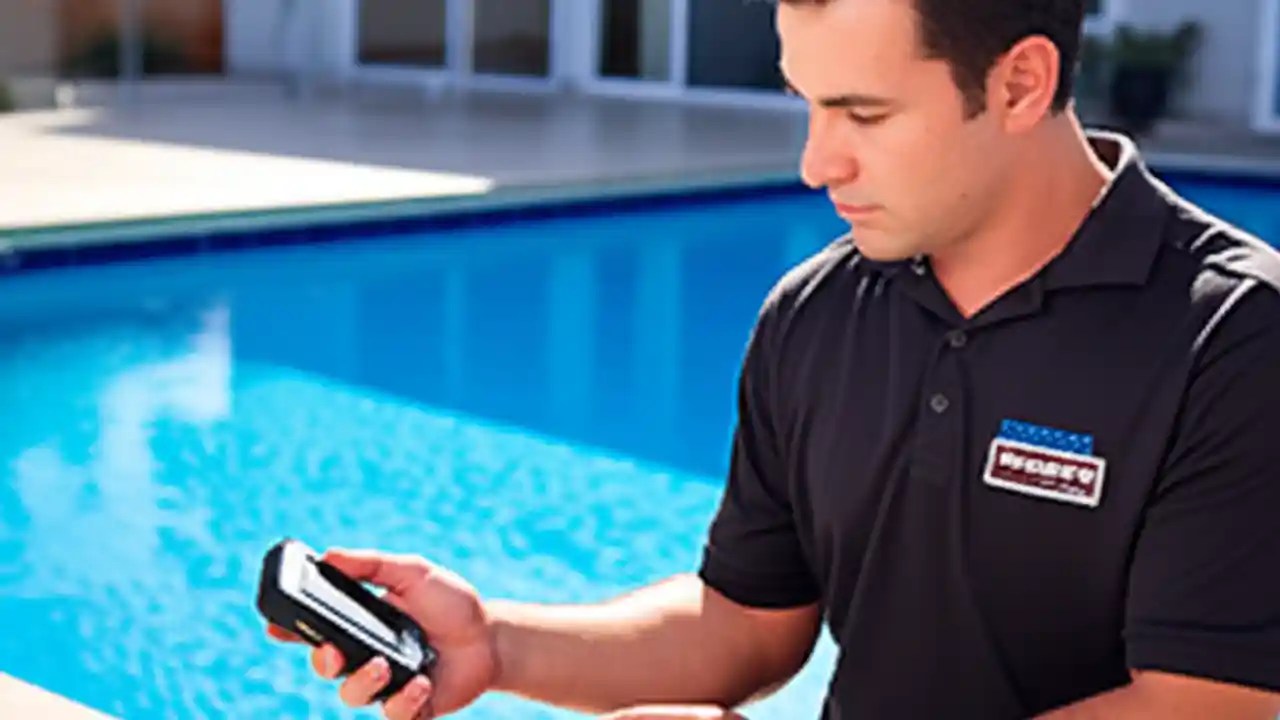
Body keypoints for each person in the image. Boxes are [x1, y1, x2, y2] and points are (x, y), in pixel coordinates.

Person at [267, 0, 1280, 718]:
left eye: (862, 113)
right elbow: (747, 623)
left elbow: (1209, 703)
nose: (814, 162)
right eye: (806, 103)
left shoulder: (1233, 339)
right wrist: (494, 646)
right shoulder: (815, 313)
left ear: (1018, 82)